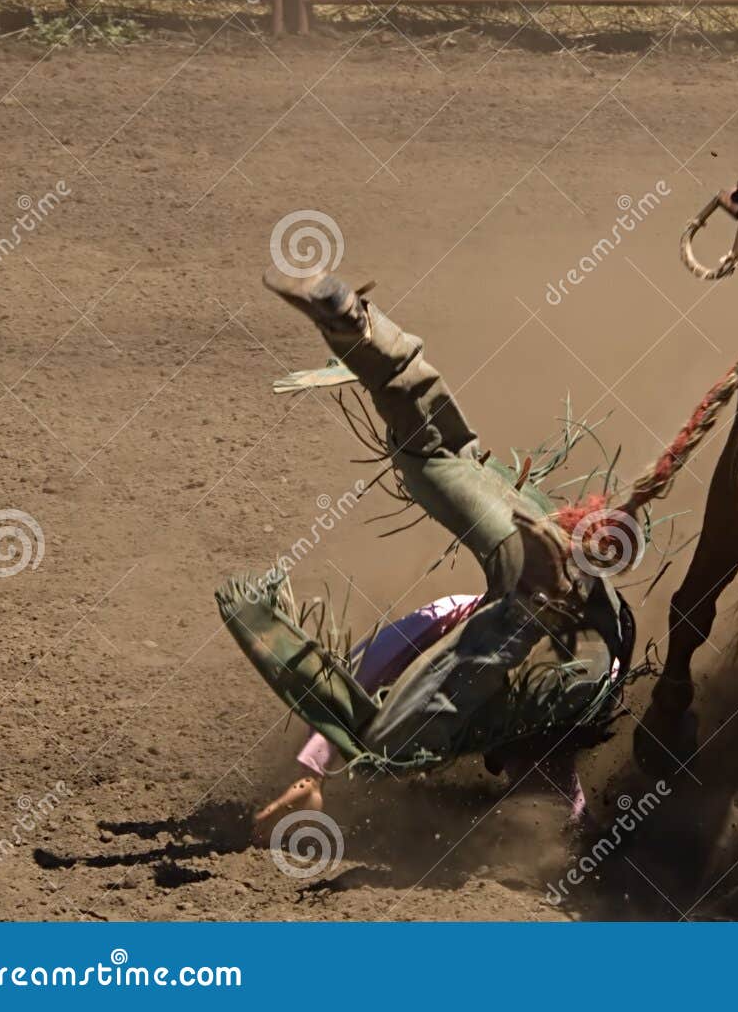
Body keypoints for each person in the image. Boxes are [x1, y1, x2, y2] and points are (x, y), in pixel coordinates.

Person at [226, 261, 635, 843]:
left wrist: (313, 770)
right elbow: (378, 662)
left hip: (576, 624)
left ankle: (360, 329)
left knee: (446, 454)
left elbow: (383, 660)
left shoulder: (517, 710)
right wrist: (314, 766)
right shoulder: (533, 727)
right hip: (578, 628)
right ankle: (357, 330)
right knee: (441, 457)